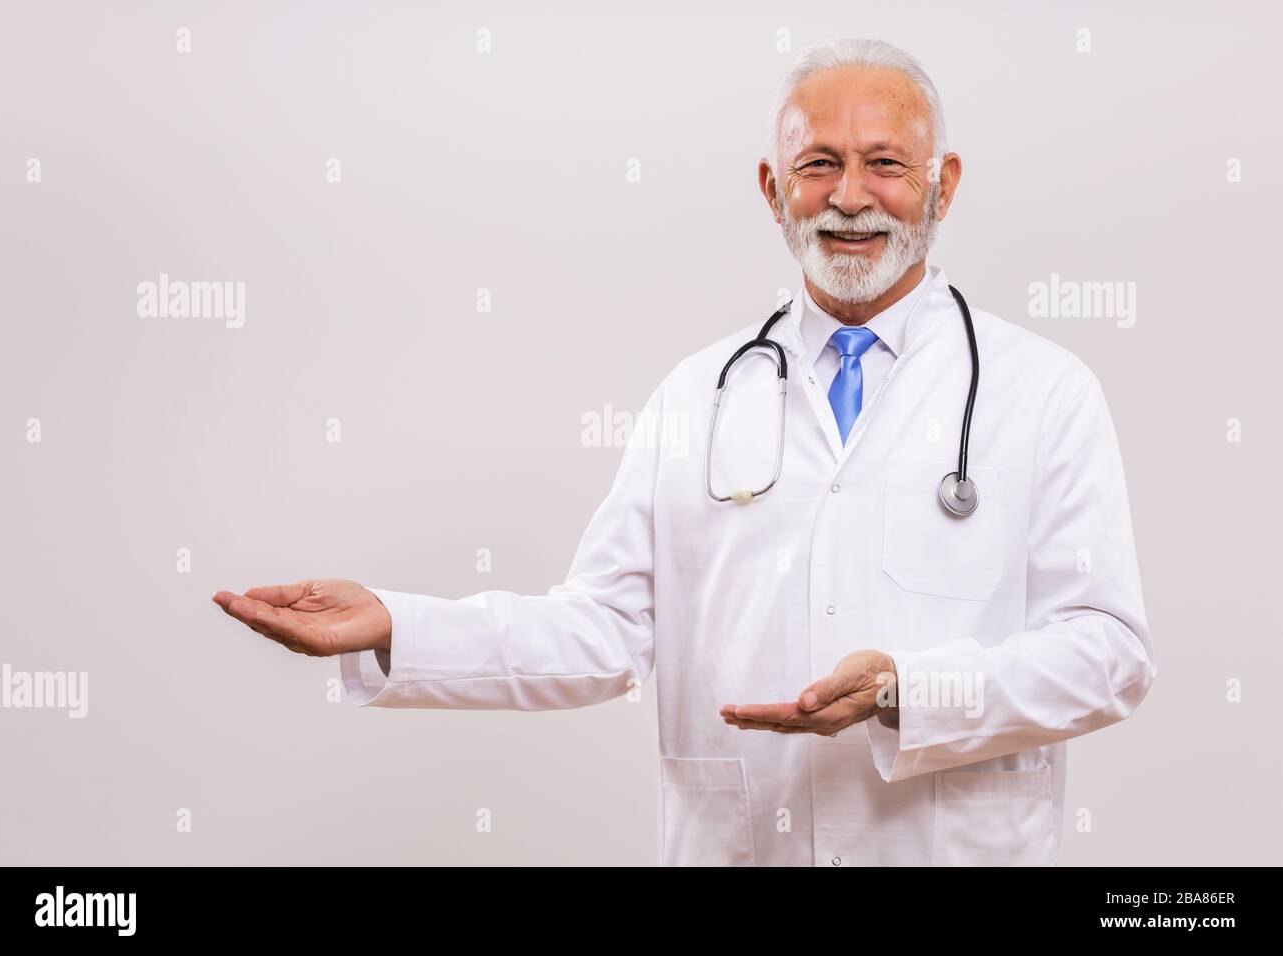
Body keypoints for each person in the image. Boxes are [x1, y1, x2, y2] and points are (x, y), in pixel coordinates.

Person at [213, 37, 1156, 866]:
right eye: (819, 163)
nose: (851, 197)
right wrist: (394, 625)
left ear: (943, 183)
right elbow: (600, 633)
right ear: (772, 187)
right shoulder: (698, 394)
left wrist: (910, 690)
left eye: (886, 164)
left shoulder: (1045, 393)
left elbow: (1109, 654)